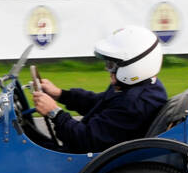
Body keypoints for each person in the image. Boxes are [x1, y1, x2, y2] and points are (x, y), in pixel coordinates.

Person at [33, 26, 168, 152]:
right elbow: (99, 102)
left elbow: (85, 140)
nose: (107, 68)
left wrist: (54, 113)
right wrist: (60, 94)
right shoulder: (141, 86)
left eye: (112, 64)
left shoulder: (134, 104)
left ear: (133, 67)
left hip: (90, 161)